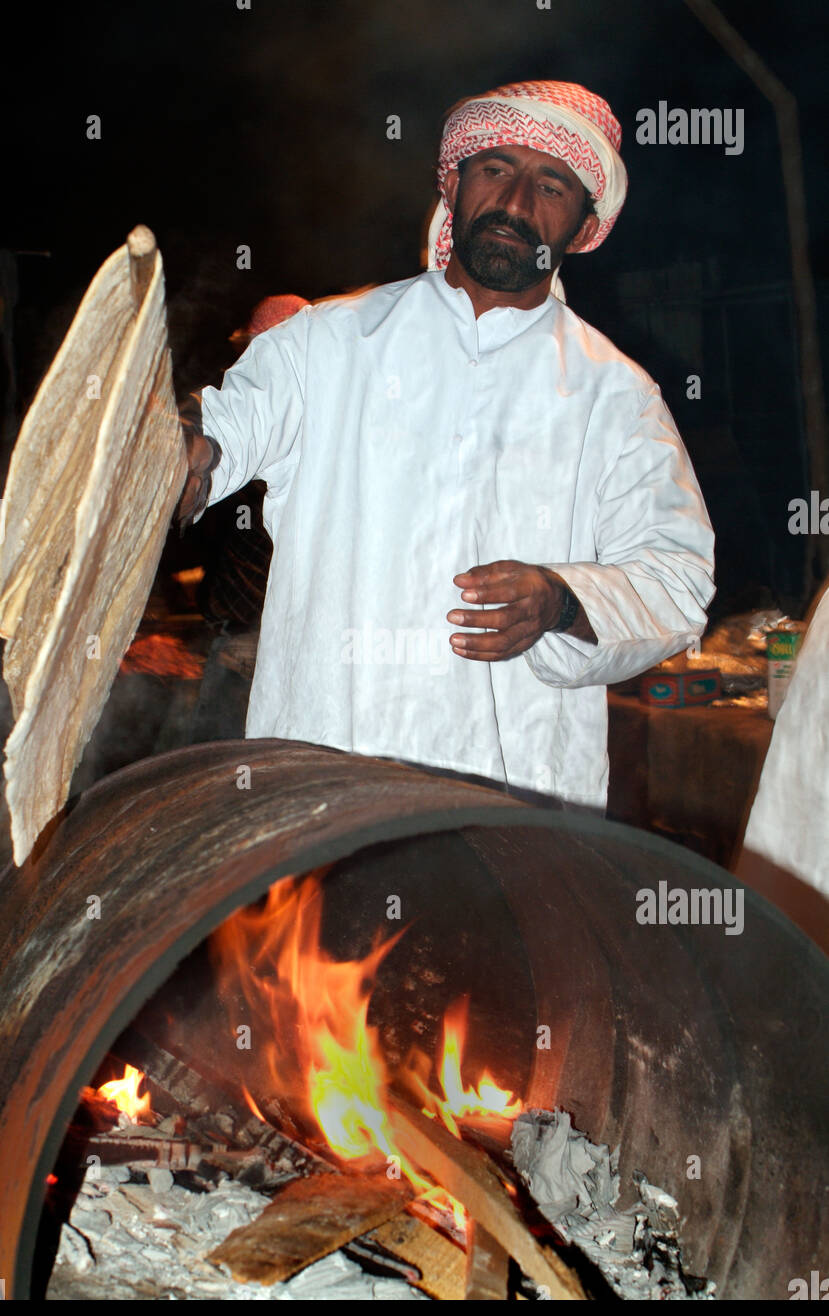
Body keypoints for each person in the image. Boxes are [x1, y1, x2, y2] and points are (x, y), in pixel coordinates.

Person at [178, 80, 715, 809]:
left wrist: (561, 601)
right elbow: (219, 437)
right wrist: (179, 455)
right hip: (323, 790)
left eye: (551, 185)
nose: (517, 203)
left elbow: (675, 580)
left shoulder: (615, 398)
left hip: (515, 806)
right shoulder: (328, 343)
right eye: (495, 169)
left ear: (585, 223)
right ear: (454, 183)